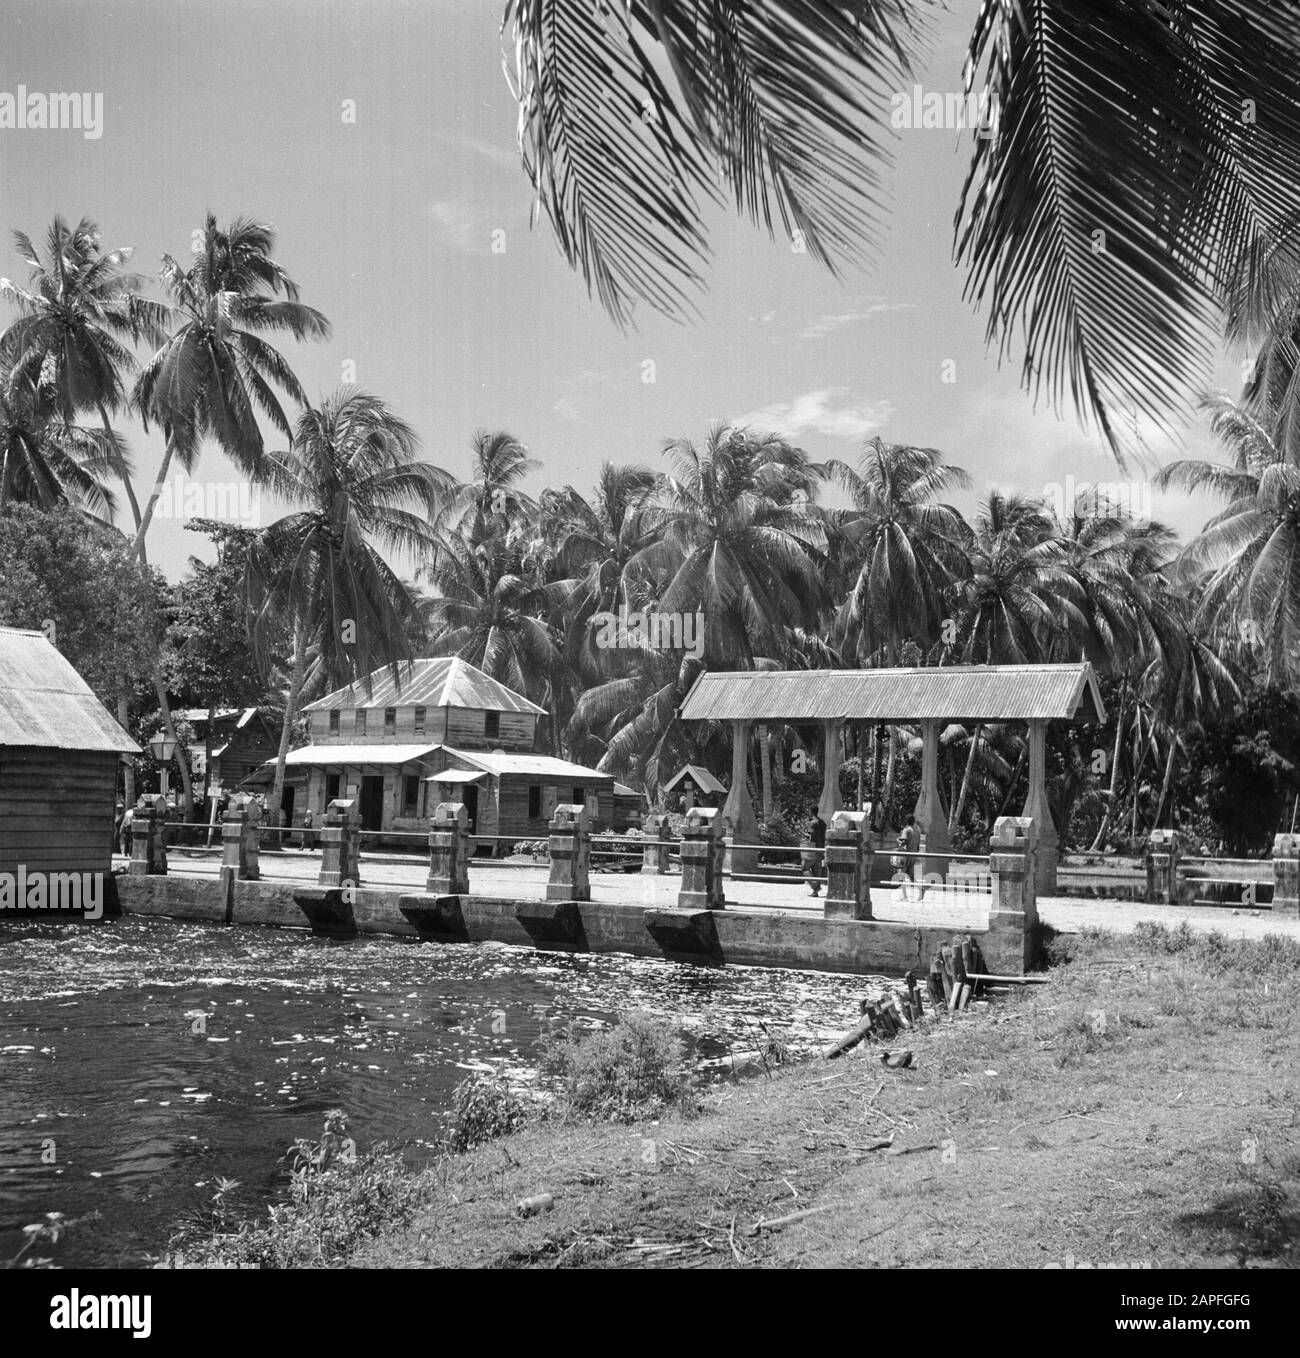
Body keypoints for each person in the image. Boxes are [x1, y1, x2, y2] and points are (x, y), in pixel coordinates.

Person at [802, 814, 827, 897]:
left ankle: (815, 887)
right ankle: (815, 892)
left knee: (805, 868)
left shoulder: (812, 823)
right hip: (821, 848)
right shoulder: (823, 823)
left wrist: (802, 833)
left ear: (811, 812)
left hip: (812, 848)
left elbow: (811, 836)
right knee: (816, 870)